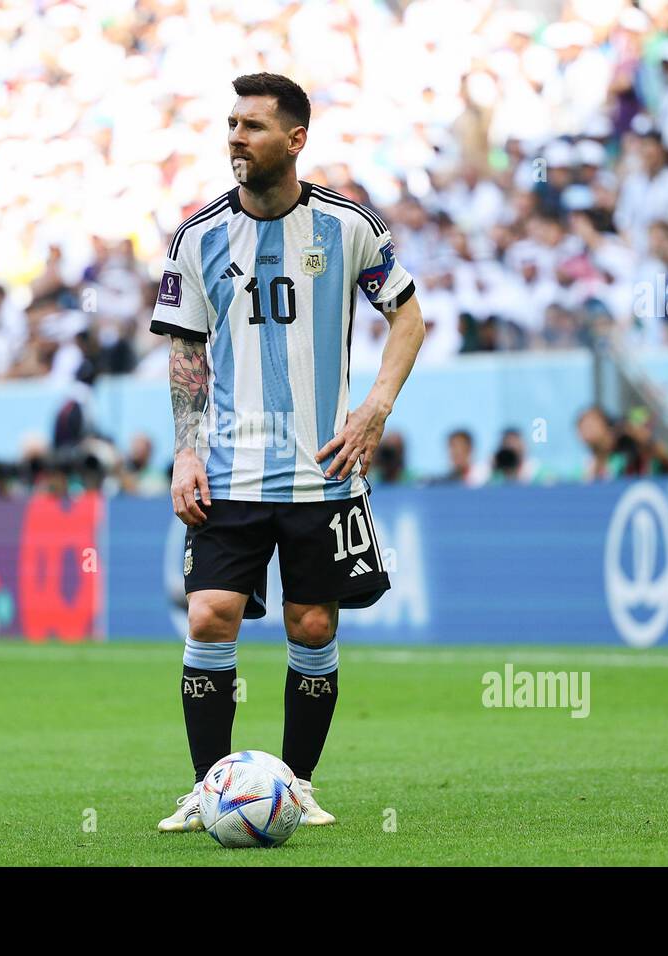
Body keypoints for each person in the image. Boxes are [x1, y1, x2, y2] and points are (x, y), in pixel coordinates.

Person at [147, 74, 425, 832]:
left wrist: (375, 408)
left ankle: (296, 786)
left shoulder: (347, 227)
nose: (236, 137)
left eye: (254, 126)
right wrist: (185, 452)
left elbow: (407, 318)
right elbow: (186, 353)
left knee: (312, 627)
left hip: (322, 469)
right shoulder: (198, 235)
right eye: (231, 124)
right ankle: (210, 788)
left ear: (295, 140)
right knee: (209, 617)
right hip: (231, 468)